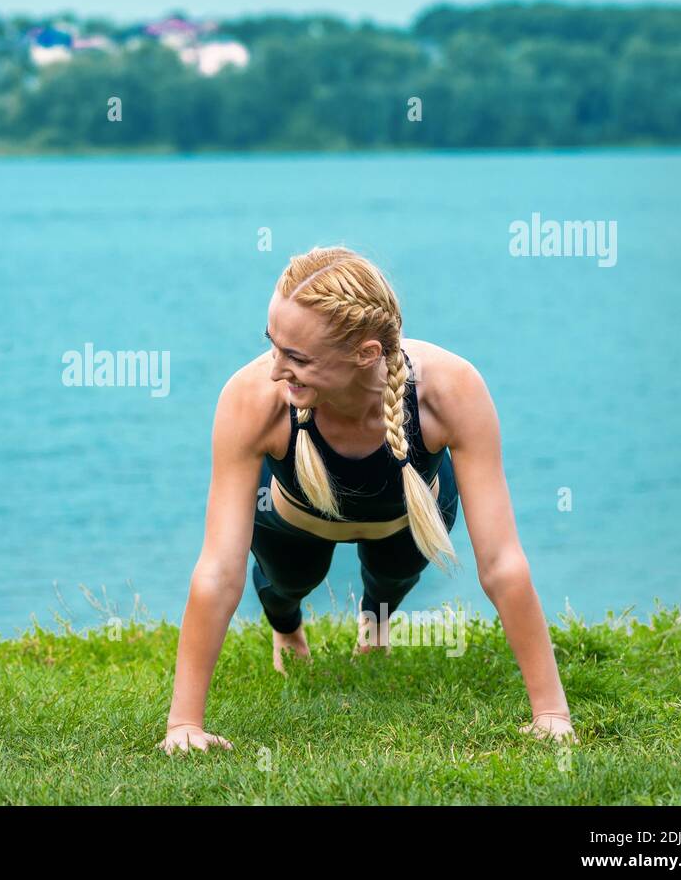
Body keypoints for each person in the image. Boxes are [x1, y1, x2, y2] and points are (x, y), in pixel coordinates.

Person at [159, 246, 578, 754]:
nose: (275, 370)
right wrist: (184, 725)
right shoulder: (250, 399)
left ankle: (373, 629)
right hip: (292, 521)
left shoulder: (452, 389)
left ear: (367, 354)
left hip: (404, 518)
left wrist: (551, 714)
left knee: (393, 580)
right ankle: (287, 630)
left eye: (297, 358)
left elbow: (502, 563)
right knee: (289, 582)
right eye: (272, 345)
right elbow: (218, 571)